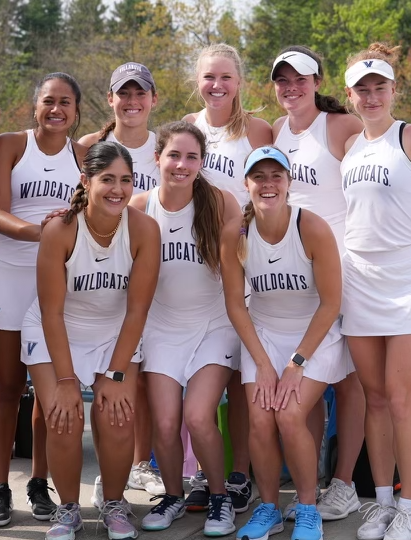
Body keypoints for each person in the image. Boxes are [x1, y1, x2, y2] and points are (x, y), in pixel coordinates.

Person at [340, 43, 411, 540]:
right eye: (362, 89)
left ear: (392, 90)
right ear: (350, 95)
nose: (371, 97)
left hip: (409, 282)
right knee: (375, 399)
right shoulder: (349, 146)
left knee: (402, 399)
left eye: (379, 87)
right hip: (358, 282)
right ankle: (382, 503)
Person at [20, 141, 160, 540]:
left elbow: (137, 311)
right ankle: (67, 510)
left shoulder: (144, 229)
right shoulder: (60, 229)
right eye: (107, 179)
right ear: (86, 181)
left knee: (118, 417)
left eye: (126, 180)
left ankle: (114, 503)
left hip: (115, 331)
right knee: (63, 420)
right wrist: (66, 382)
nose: (117, 189)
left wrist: (115, 376)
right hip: (56, 330)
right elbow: (50, 313)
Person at [221, 147, 346, 540]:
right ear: (247, 184)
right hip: (264, 335)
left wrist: (295, 363)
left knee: (289, 416)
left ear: (289, 183)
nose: (268, 183)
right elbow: (235, 307)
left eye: (277, 175)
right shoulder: (235, 233)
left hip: (315, 334)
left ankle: (308, 509)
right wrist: (262, 362)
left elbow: (330, 304)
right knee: (260, 418)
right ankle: (270, 508)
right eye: (259, 176)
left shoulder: (311, 227)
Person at [127, 121, 241, 536]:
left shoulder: (220, 203)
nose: (181, 164)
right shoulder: (140, 206)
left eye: (192, 156)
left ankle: (219, 498)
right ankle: (174, 496)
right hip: (161, 326)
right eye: (174, 155)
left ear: (201, 162)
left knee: (197, 416)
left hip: (214, 324)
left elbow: (256, 244)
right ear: (157, 158)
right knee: (164, 421)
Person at [0, 72, 87, 527]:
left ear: (77, 111)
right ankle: (0, 487)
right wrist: (42, 233)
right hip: (10, 276)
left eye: (65, 102)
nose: (57, 109)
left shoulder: (83, 155)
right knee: (7, 389)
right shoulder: (10, 145)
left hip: (56, 285)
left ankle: (39, 482)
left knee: (49, 395)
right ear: (35, 106)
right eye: (49, 101)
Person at [269, 46, 367, 522]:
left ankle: (344, 483)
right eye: (282, 80)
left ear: (317, 80)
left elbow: (384, 167)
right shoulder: (275, 131)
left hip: (343, 271)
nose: (291, 87)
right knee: (309, 382)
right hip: (292, 278)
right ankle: (313, 482)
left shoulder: (341, 125)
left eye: (300, 78)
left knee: (350, 384)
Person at [183, 42, 272, 515]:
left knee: (241, 376)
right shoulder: (187, 129)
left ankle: (240, 476)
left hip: (245, 266)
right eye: (208, 77)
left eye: (225, 77)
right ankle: (206, 471)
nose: (216, 85)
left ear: (240, 82)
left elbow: (275, 188)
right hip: (197, 268)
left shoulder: (257, 130)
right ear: (196, 82)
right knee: (201, 372)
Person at [79, 62, 165, 501]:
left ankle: (140, 463)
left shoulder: (165, 146)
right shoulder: (90, 147)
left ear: (154, 99)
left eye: (140, 94)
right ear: (110, 99)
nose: (132, 102)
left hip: (157, 277)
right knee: (107, 380)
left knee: (147, 378)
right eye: (123, 94)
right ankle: (109, 470)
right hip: (103, 282)